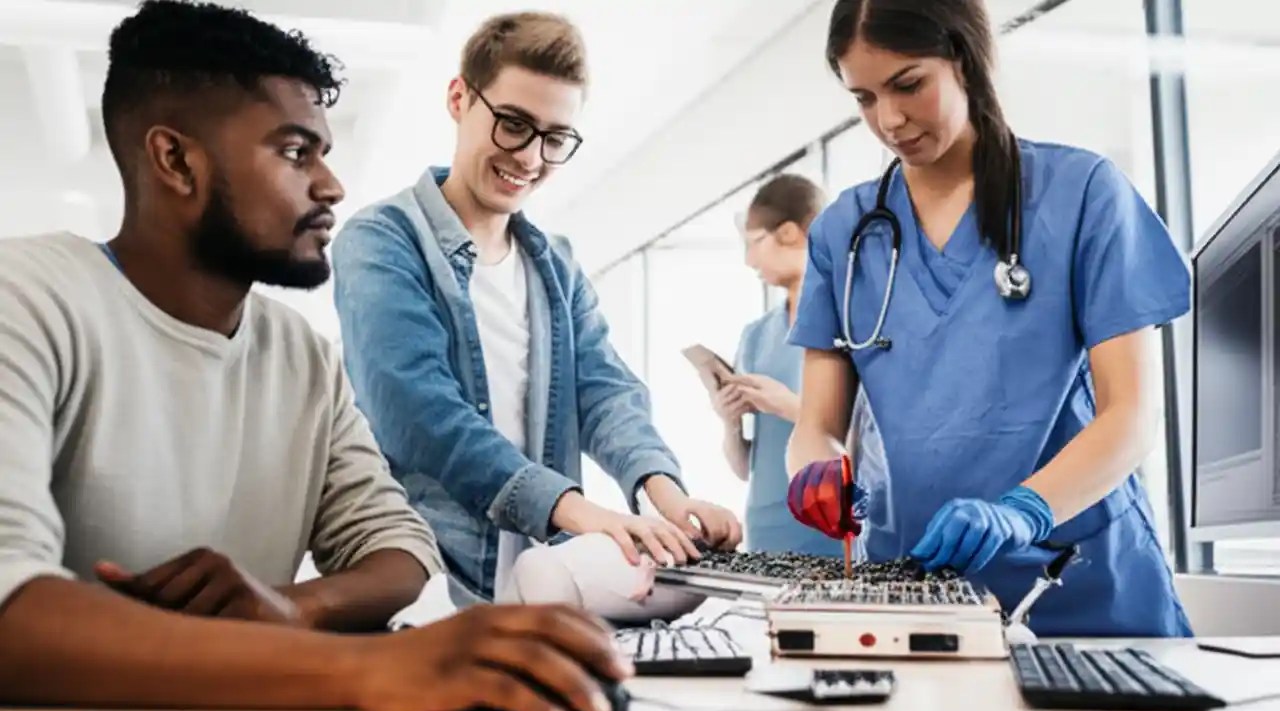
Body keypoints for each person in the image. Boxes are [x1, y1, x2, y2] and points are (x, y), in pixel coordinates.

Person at [0, 3, 630, 711]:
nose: (330, 184)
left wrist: (292, 607)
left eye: (324, 153)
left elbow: (398, 548)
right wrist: (365, 668)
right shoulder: (26, 298)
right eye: (297, 152)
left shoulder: (300, 356)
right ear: (175, 159)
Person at [785, 0, 1192, 638]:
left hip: (1083, 586)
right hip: (920, 596)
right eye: (863, 98)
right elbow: (816, 428)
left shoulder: (1081, 192)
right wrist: (815, 471)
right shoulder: (845, 232)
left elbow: (1131, 416)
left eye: (908, 84)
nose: (888, 120)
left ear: (966, 60)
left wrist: (1027, 509)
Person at [331, 11, 742, 601]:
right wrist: (578, 511)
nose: (529, 157)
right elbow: (419, 413)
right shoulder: (381, 242)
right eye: (513, 124)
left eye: (554, 137)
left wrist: (669, 497)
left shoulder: (556, 264)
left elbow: (604, 391)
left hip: (543, 584)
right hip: (430, 582)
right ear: (459, 98)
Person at [708, 174, 884, 556]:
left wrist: (789, 405)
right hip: (766, 535)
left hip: (837, 537)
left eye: (754, 243)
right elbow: (745, 470)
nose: (748, 259)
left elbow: (873, 451)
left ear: (790, 233)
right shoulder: (755, 336)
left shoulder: (860, 324)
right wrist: (730, 423)